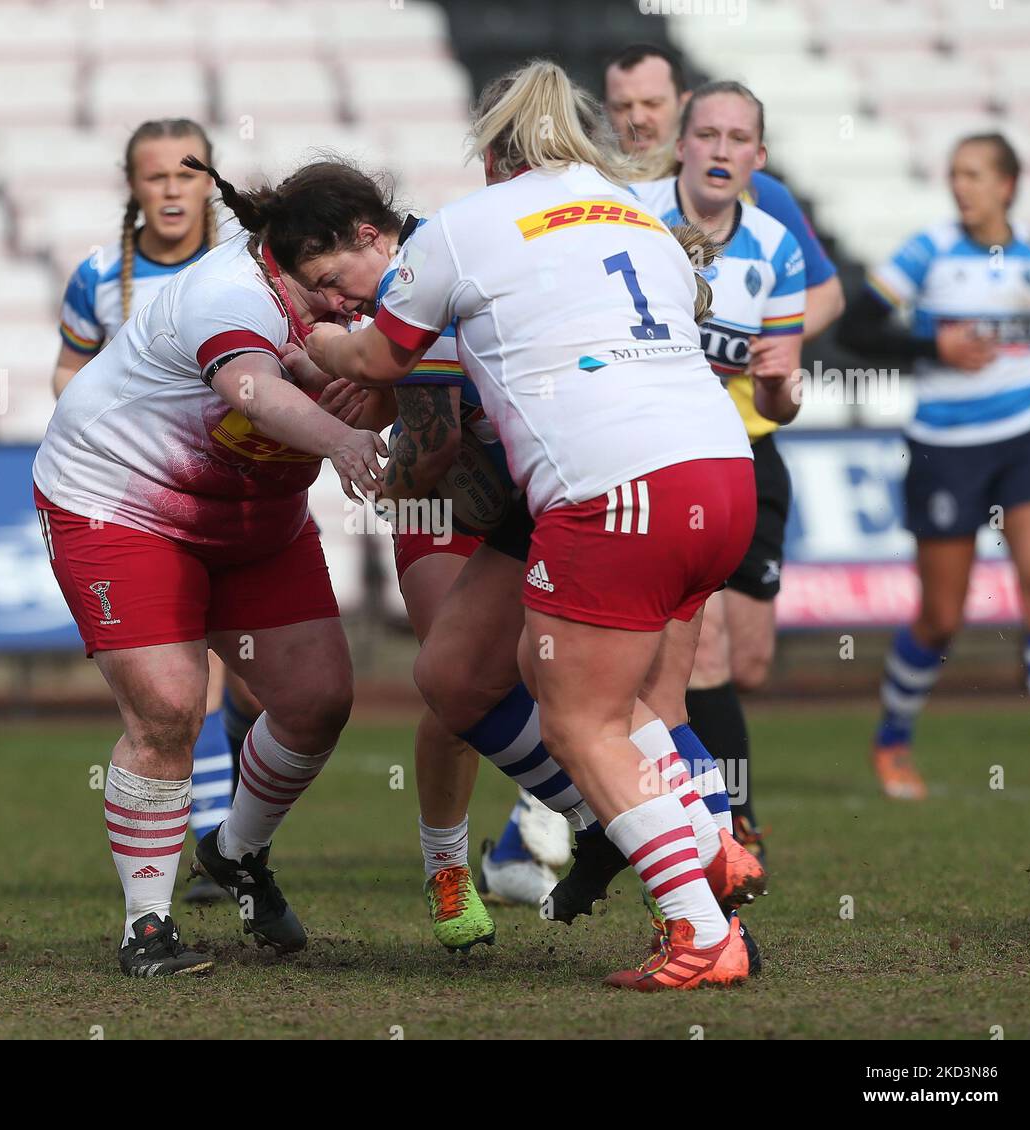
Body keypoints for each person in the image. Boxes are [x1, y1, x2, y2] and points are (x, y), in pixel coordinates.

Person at [304, 60, 761, 990]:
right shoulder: (634, 211)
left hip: (615, 486)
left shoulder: (463, 228)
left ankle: (700, 922)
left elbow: (377, 356)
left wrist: (307, 340)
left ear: (493, 153)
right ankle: (703, 839)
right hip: (719, 474)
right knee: (460, 672)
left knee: (583, 722)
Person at [33, 157, 387, 976]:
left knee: (317, 701)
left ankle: (234, 852)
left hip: (255, 517)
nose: (350, 305)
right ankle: (147, 926)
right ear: (296, 256)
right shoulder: (227, 290)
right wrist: (344, 438)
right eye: (332, 288)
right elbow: (255, 390)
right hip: (119, 503)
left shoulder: (382, 276)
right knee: (167, 707)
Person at [605, 44, 843, 854]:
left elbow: (782, 384)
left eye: (737, 139)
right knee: (691, 660)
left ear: (758, 158)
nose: (720, 149)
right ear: (683, 141)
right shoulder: (631, 215)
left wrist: (783, 379)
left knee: (747, 662)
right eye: (707, 134)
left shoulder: (773, 243)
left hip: (748, 458)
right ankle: (722, 827)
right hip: (662, 463)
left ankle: (685, 810)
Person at [48, 119, 257, 901]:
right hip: (140, 496)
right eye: (155, 177)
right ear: (132, 186)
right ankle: (208, 842)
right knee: (181, 675)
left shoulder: (242, 265)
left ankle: (231, 826)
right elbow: (68, 373)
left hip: (242, 491)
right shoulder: (100, 276)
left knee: (265, 689)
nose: (171, 190)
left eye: (186, 174)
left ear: (210, 183)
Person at [837, 134, 1030, 798]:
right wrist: (934, 343)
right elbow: (858, 329)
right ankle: (893, 737)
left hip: (1027, 436)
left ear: (1007, 185)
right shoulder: (927, 251)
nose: (962, 186)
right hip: (945, 448)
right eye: (955, 174)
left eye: (976, 174)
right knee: (942, 617)